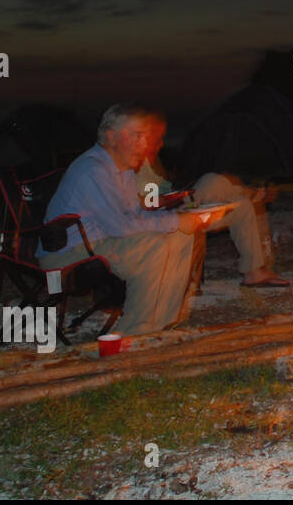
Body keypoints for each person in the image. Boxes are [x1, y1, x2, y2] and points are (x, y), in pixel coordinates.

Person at [39, 104, 212, 335]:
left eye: (146, 137)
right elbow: (121, 225)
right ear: (110, 137)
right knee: (155, 245)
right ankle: (135, 332)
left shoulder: (124, 169)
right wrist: (175, 221)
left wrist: (180, 219)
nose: (144, 145)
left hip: (100, 241)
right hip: (68, 253)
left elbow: (134, 215)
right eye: (136, 136)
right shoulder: (93, 169)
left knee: (180, 235)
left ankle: (162, 324)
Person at [138, 115, 288, 288]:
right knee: (217, 184)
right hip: (164, 220)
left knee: (235, 200)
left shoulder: (149, 162)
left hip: (178, 208)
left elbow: (160, 190)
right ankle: (254, 193)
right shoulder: (124, 166)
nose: (159, 142)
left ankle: (254, 272)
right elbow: (139, 205)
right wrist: (171, 200)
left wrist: (178, 194)